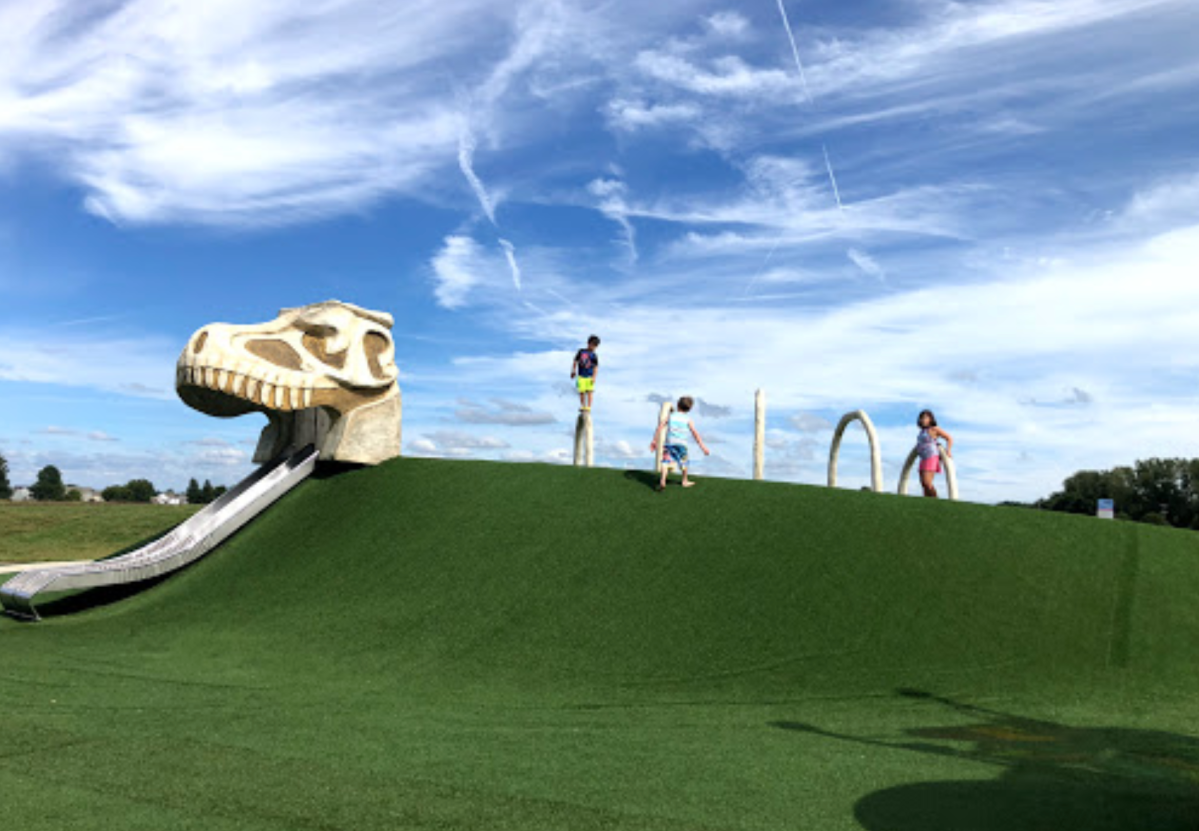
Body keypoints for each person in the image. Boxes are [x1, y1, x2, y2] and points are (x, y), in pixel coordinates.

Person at [650, 396, 711, 491]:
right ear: (689, 409)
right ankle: (684, 480)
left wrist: (654, 440)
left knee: (665, 461)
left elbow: (660, 426)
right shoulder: (688, 419)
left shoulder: (671, 416)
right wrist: (703, 447)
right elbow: (695, 433)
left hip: (670, 443)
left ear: (677, 405)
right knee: (684, 463)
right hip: (681, 444)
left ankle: (663, 480)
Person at [916, 409, 953, 498]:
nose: (923, 420)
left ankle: (935, 500)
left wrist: (948, 450)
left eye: (925, 418)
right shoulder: (922, 431)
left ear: (930, 419)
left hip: (931, 456)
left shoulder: (934, 429)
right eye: (921, 418)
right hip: (923, 457)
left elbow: (949, 438)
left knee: (927, 483)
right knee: (923, 485)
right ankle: (927, 502)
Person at [570, 335, 601, 411]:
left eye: (595, 346)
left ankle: (589, 407)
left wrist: (594, 377)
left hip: (589, 376)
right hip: (581, 376)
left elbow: (596, 367)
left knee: (590, 391)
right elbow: (575, 361)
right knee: (582, 392)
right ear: (588, 343)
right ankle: (583, 405)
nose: (593, 347)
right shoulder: (581, 352)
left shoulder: (594, 355)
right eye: (593, 345)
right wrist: (573, 371)